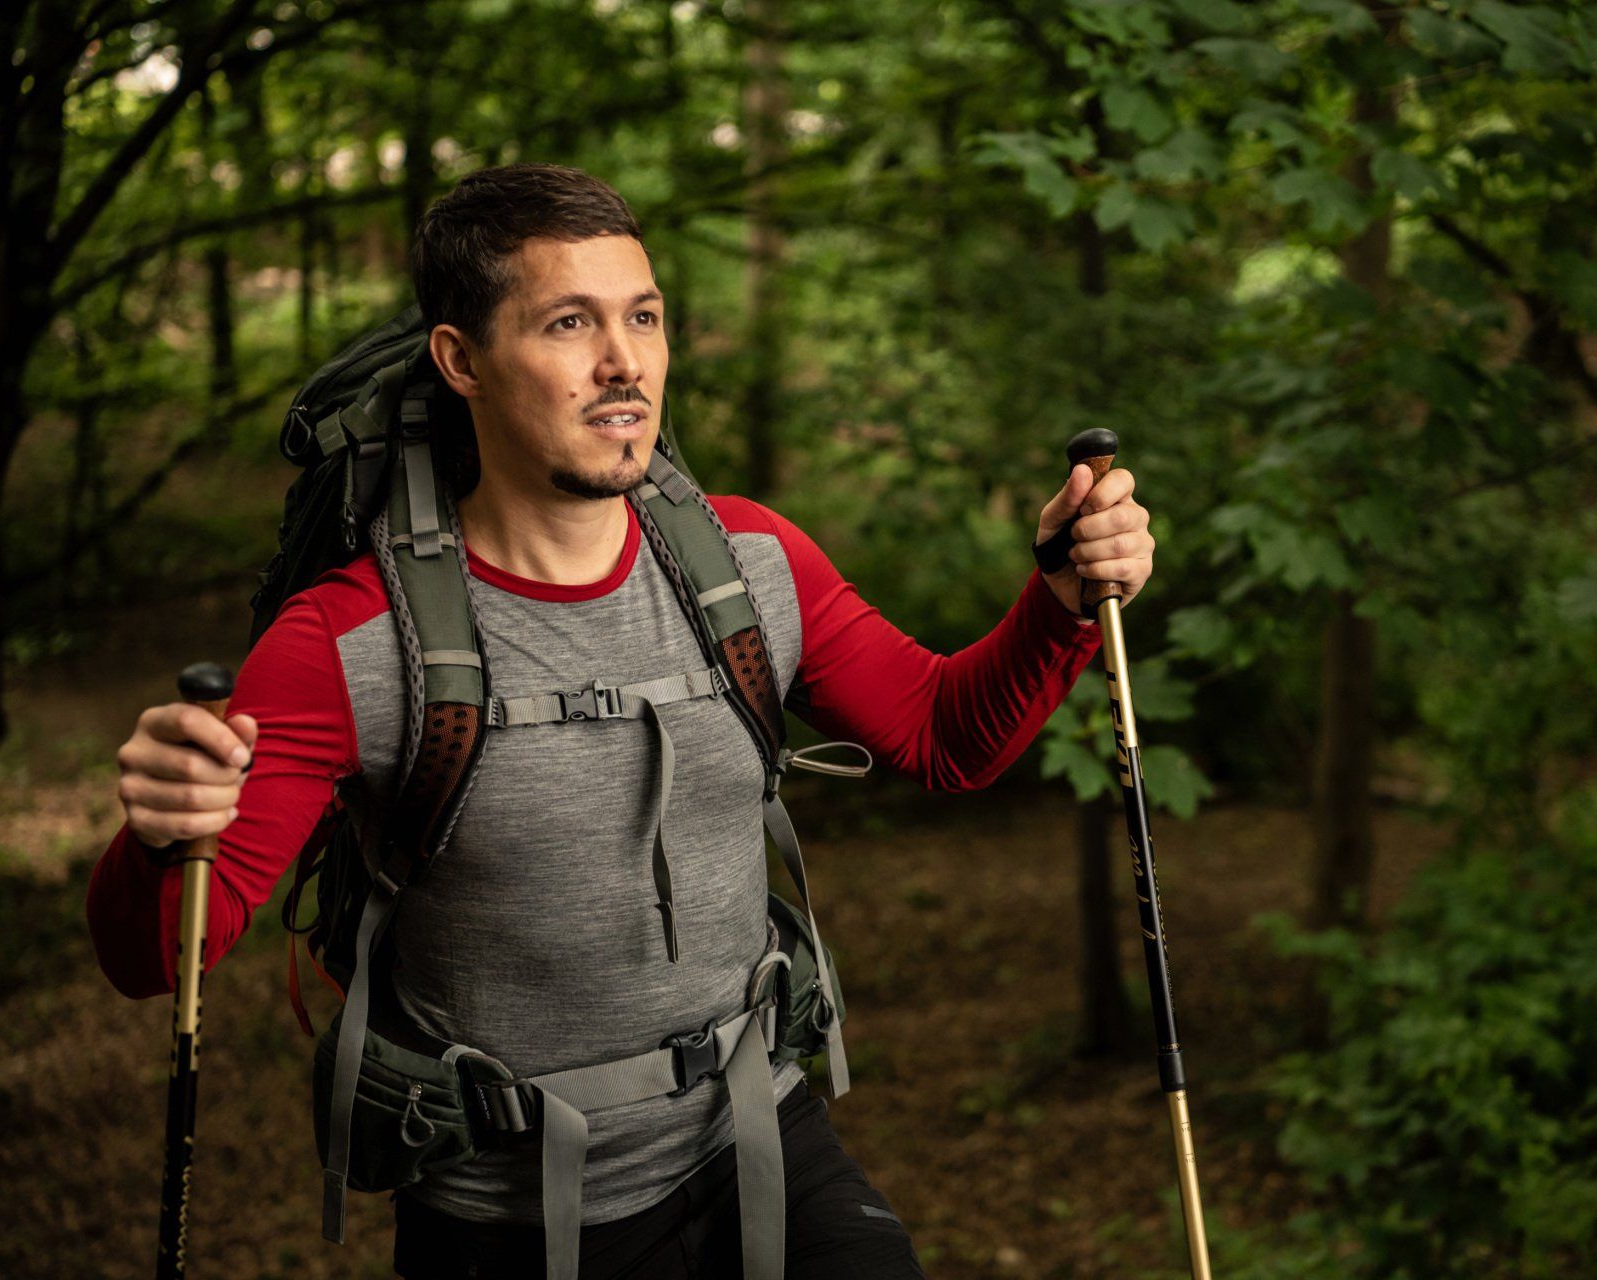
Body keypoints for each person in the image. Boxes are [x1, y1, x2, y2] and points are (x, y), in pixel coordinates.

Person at [85, 162, 1154, 1279]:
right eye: (568, 322)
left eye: (642, 316)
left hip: (761, 1143)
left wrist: (1063, 602)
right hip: (509, 1216)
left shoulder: (748, 567)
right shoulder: (350, 642)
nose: (624, 363)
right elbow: (155, 956)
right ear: (463, 361)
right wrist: (166, 833)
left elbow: (947, 735)